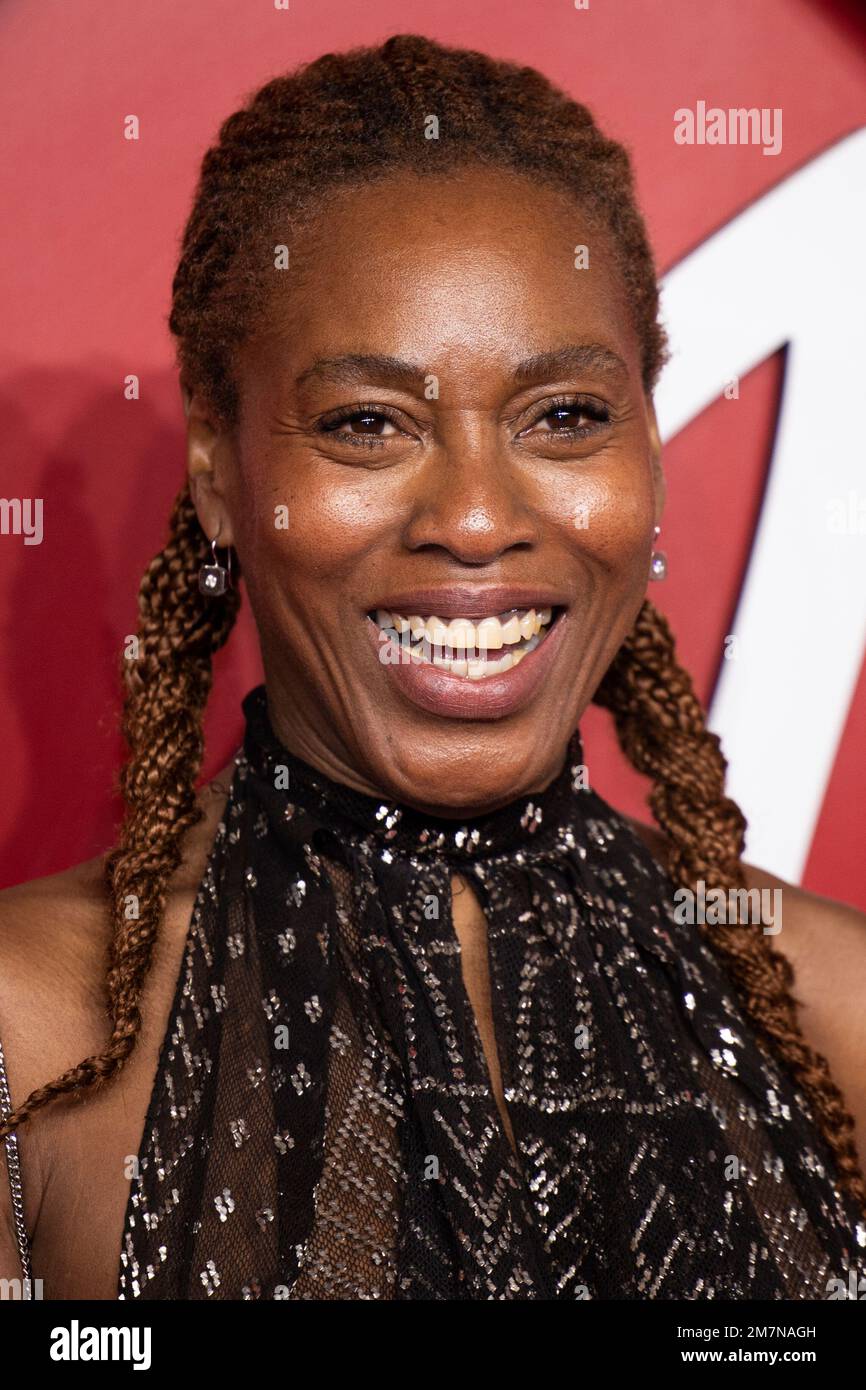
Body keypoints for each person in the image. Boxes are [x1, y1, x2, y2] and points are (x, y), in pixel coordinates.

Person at [1, 34, 865, 1302]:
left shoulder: (837, 1001)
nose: (472, 516)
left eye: (563, 415)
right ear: (219, 478)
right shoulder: (28, 1038)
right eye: (366, 424)